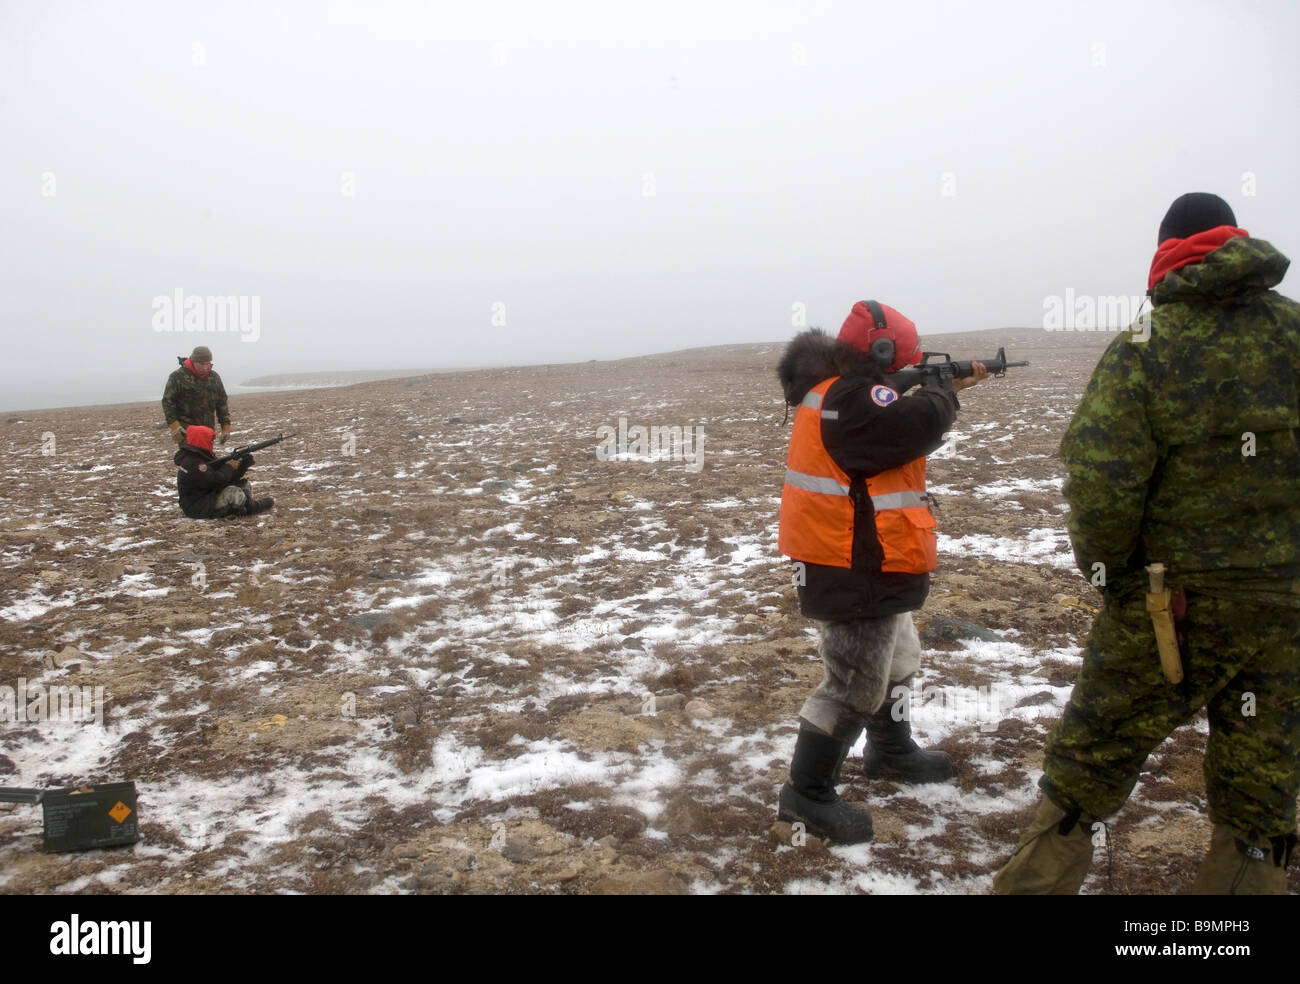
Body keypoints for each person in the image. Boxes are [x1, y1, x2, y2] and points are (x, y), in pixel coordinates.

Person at [993, 193, 1300, 894]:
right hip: (1285, 608)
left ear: (1167, 251)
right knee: (1264, 783)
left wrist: (1118, 580)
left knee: (1089, 763)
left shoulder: (1147, 345)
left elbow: (1102, 483)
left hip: (1173, 606)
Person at [774, 300, 988, 843]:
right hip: (853, 562)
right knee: (853, 685)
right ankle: (806, 794)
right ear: (882, 353)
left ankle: (891, 751)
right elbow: (910, 425)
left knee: (898, 659)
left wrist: (941, 388)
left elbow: (894, 427)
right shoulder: (848, 396)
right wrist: (943, 391)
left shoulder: (840, 392)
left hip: (867, 556)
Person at [174, 425, 274, 519]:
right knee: (233, 493)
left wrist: (243, 466)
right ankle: (249, 508)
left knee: (242, 485)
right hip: (196, 507)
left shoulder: (199, 458)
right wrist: (229, 467)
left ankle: (247, 507)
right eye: (210, 440)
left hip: (205, 498)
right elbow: (215, 481)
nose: (212, 443)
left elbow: (226, 478)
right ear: (202, 441)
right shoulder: (194, 463)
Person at [163, 346, 232, 446]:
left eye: (208, 363)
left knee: (207, 458)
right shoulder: (177, 377)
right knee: (193, 459)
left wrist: (225, 427)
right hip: (187, 431)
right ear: (193, 361)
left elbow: (222, 403)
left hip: (207, 430)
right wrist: (174, 426)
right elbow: (168, 402)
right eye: (201, 364)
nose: (205, 367)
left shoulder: (214, 377)